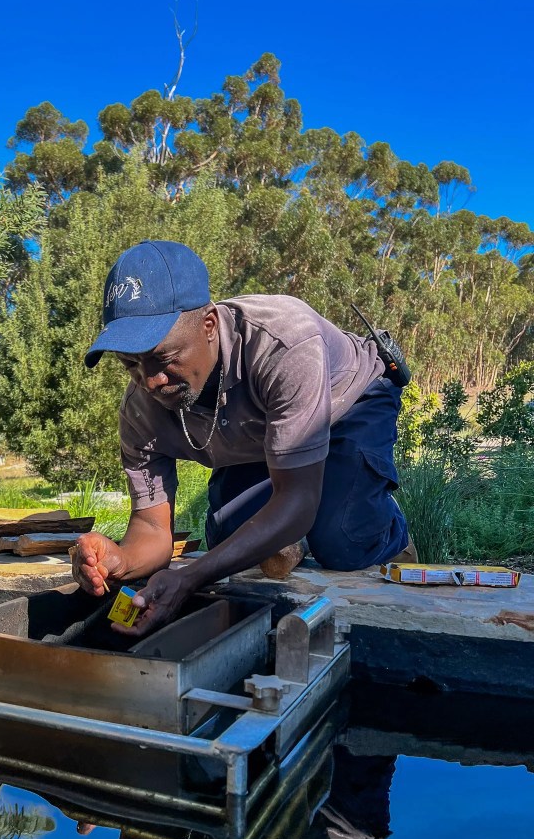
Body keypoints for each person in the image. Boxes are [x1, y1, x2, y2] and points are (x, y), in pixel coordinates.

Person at [72, 240, 414, 636]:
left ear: (210, 325)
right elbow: (152, 528)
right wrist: (121, 560)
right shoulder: (139, 410)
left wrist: (192, 577)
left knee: (341, 539)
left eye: (163, 359)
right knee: (227, 538)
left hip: (347, 404)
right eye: (130, 364)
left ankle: (390, 530)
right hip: (264, 430)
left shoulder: (284, 342)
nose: (150, 382)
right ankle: (291, 539)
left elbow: (299, 499)